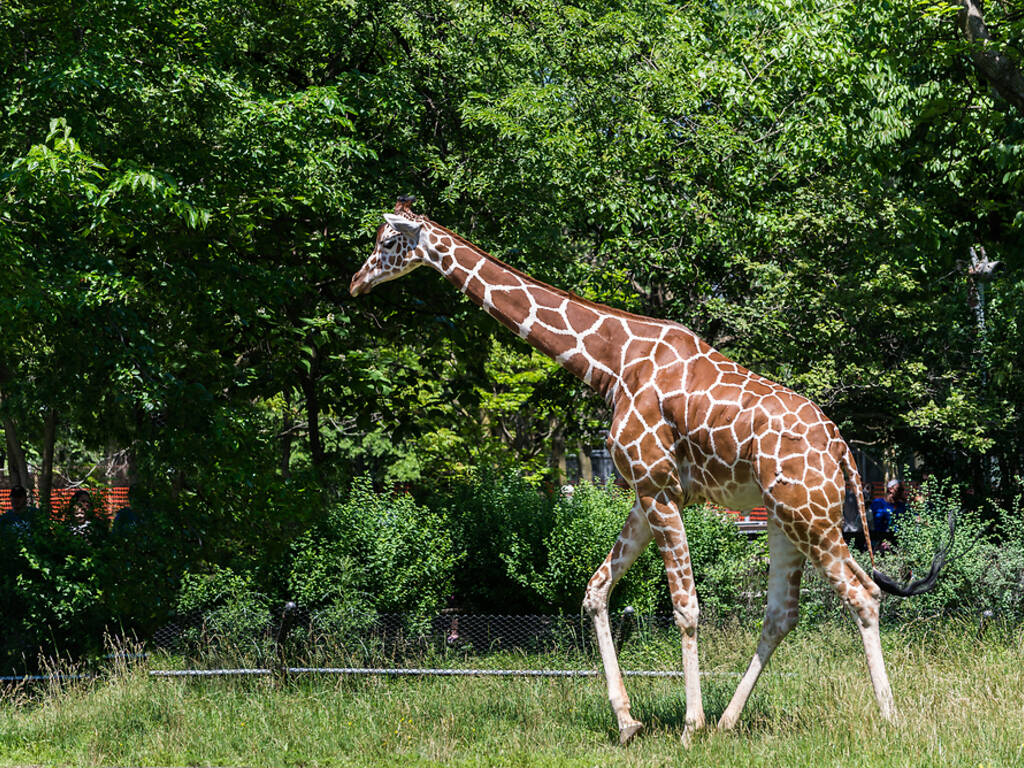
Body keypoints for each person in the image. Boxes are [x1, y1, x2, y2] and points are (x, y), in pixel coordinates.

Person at [869, 479, 901, 550]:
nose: (901, 492)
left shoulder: (902, 506)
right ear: (890, 489)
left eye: (902, 490)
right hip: (878, 539)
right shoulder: (877, 503)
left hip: (896, 540)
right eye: (899, 489)